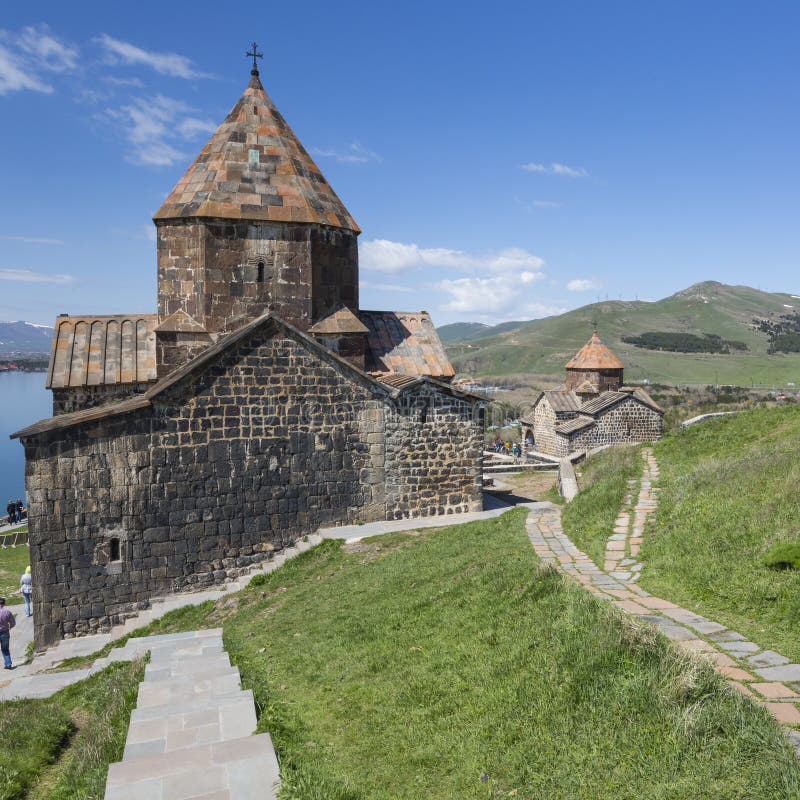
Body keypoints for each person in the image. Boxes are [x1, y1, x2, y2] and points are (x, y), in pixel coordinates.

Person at [0, 597, 15, 669]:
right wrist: (10, 627)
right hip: (5, 632)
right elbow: (13, 623)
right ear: (4, 603)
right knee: (5, 649)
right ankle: (8, 663)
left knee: (4, 649)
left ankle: (7, 663)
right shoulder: (7, 612)